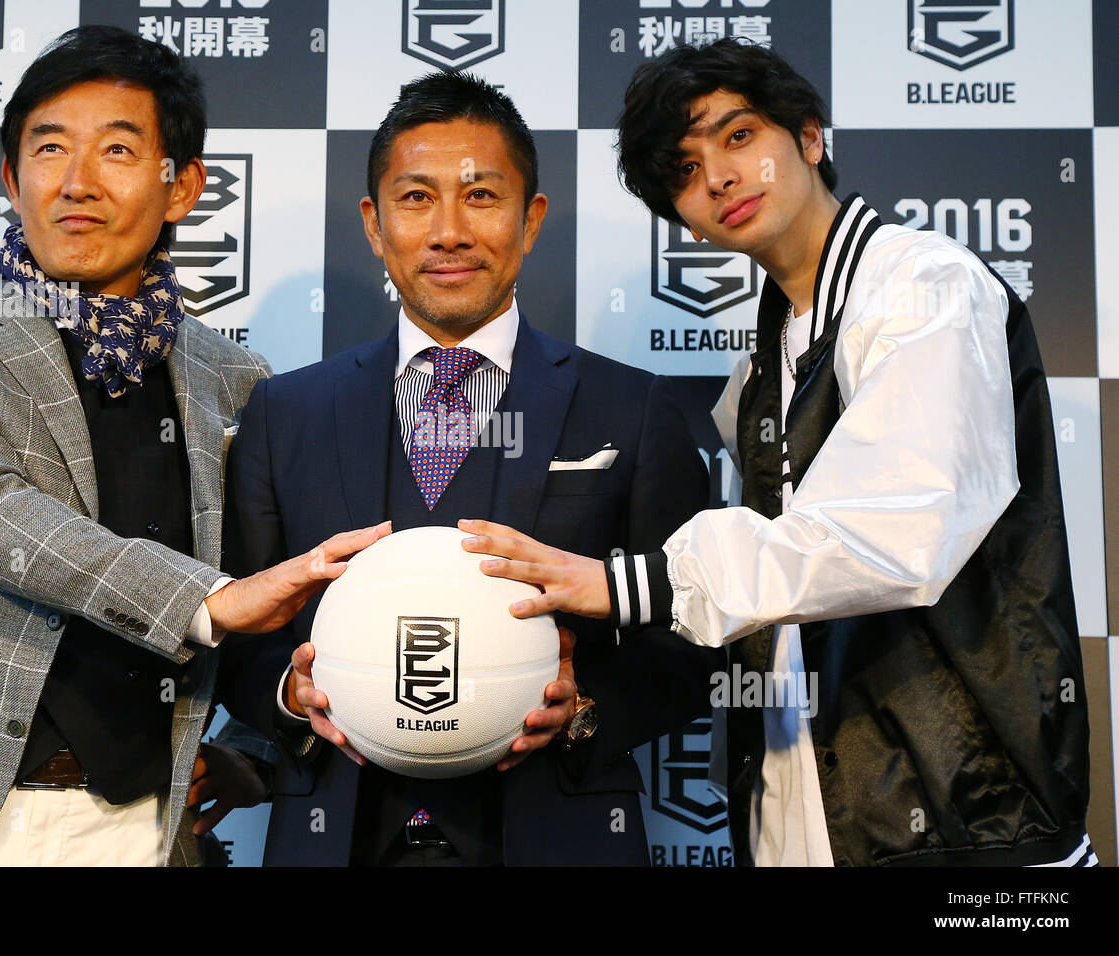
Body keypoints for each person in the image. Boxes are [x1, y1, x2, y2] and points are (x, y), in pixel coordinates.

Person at [460, 38, 1095, 867]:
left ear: (809, 136)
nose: (717, 177)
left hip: (964, 818)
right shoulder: (759, 368)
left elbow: (895, 534)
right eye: (684, 171)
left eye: (738, 136)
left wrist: (626, 582)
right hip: (799, 806)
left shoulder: (924, 288)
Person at [0, 25, 387, 868]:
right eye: (49, 150)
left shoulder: (236, 380)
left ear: (182, 185)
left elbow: (270, 603)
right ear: (13, 179)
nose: (76, 183)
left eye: (117, 150)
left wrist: (255, 734)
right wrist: (209, 601)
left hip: (147, 829)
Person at [218, 71, 723, 866]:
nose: (449, 230)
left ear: (531, 220)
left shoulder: (631, 409)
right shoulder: (287, 413)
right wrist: (290, 695)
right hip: (334, 837)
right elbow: (236, 629)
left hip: (558, 834)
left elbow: (692, 634)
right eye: (416, 198)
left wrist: (584, 709)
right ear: (374, 224)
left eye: (481, 196)